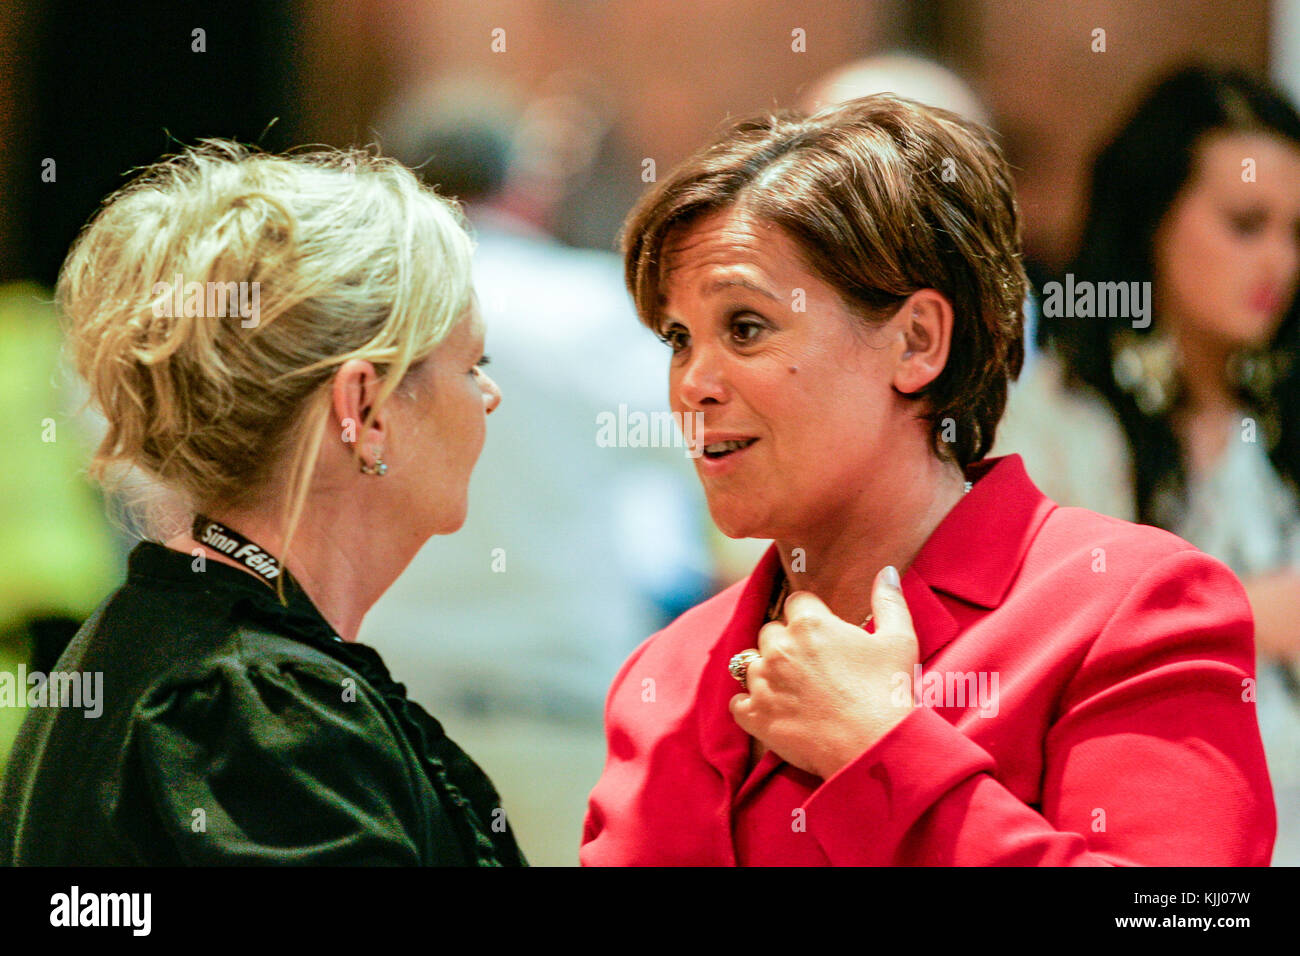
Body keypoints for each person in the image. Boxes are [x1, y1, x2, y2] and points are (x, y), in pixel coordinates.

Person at [580, 94, 1275, 866]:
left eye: (746, 327)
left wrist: (880, 748)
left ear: (917, 341)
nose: (692, 384)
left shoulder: (1133, 608)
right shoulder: (665, 673)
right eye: (678, 338)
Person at [0, 140, 526, 866]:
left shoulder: (179, 649)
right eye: (473, 366)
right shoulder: (255, 712)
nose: (489, 399)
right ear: (364, 407)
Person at [994, 64, 1300, 866]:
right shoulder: (1056, 423)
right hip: (1140, 843)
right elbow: (1021, 649)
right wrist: (1250, 613)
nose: (1277, 260)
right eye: (1245, 224)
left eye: (1296, 232)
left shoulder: (1280, 420)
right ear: (1155, 217)